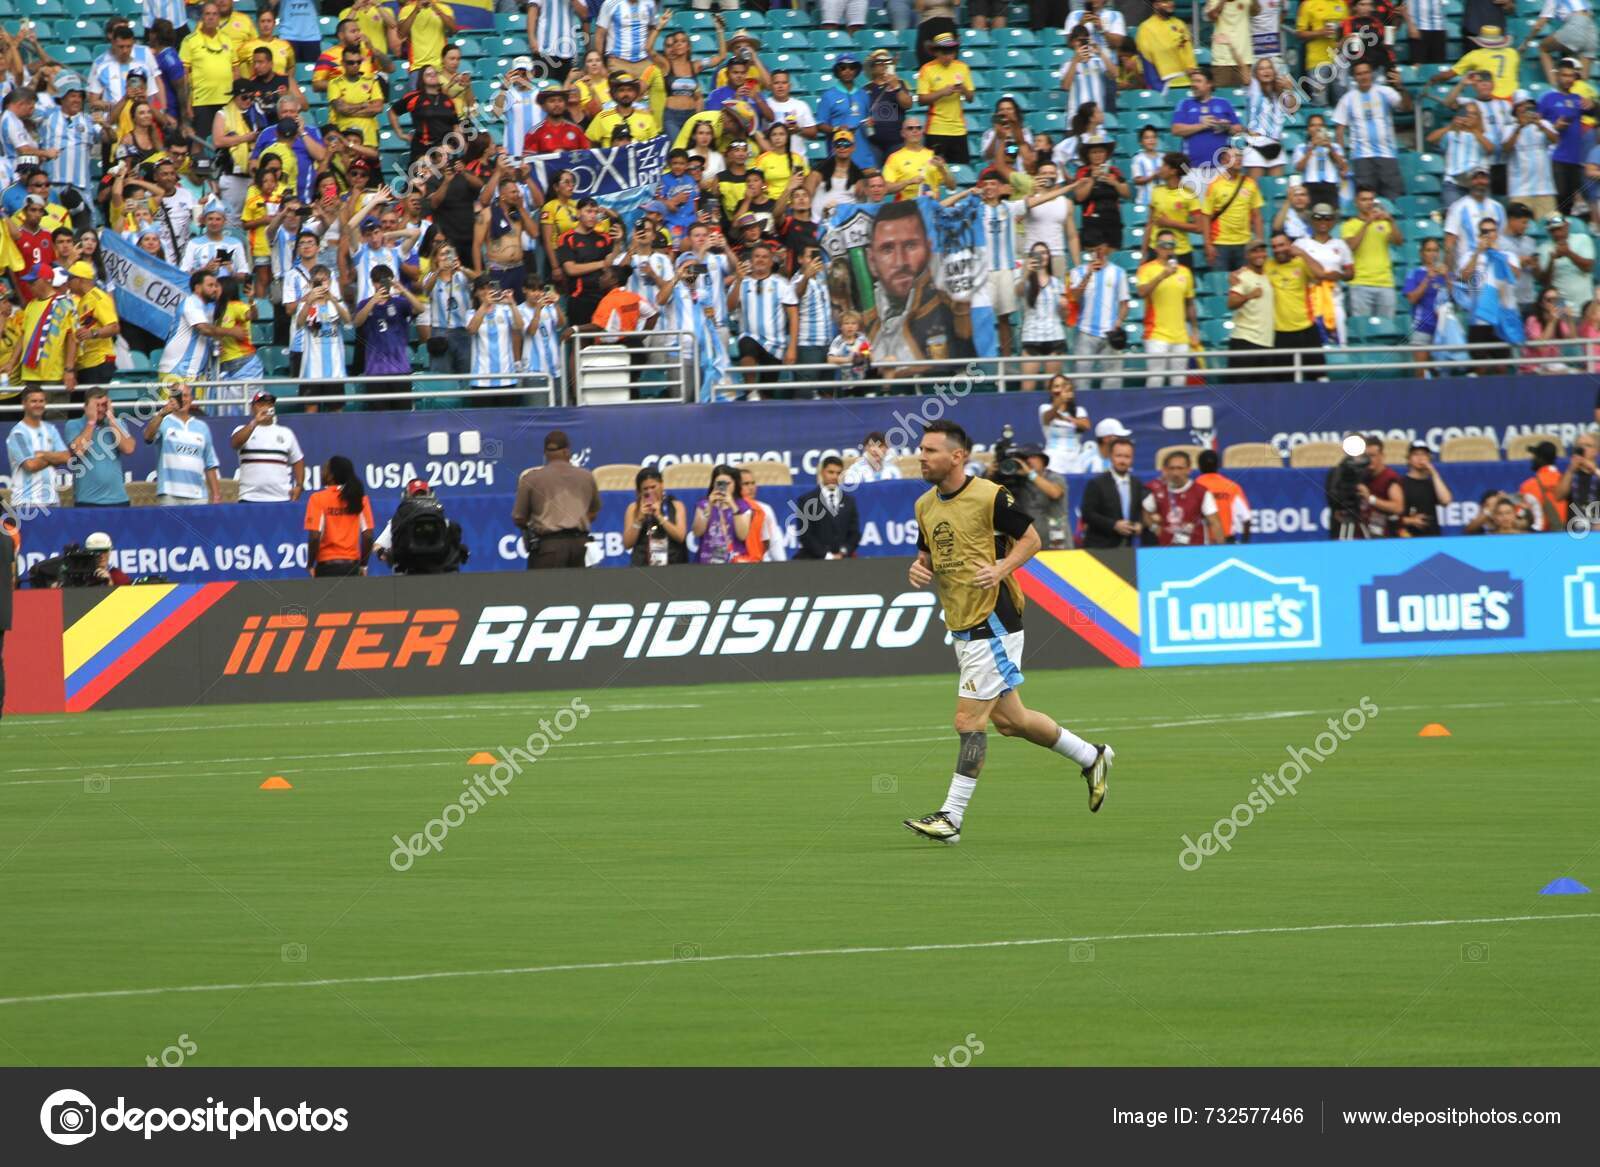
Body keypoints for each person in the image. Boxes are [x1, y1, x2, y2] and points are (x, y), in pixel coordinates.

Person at [902, 419, 1113, 846]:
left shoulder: (990, 495)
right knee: (1011, 721)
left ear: (957, 456)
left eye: (930, 450)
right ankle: (1092, 756)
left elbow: (1031, 539)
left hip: (993, 620)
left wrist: (1001, 568)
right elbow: (929, 554)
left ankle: (951, 817)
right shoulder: (924, 504)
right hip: (961, 621)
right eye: (921, 450)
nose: (921, 457)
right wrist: (919, 568)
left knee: (967, 720)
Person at [861, 199, 977, 373]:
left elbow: (962, 367)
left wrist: (897, 375)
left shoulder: (949, 309)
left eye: (910, 246)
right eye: (887, 249)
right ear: (871, 260)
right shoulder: (864, 322)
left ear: (929, 249)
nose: (900, 262)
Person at [512, 429, 601, 569]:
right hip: (580, 547)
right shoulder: (586, 476)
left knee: (546, 584)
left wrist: (533, 525)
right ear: (567, 452)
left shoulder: (531, 479)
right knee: (581, 584)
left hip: (547, 548)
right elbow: (593, 512)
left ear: (545, 453)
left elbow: (519, 517)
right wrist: (575, 519)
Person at [1332, 62, 1410, 200]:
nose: (1363, 77)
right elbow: (1339, 131)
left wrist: (1401, 88)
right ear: (1354, 77)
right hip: (1361, 157)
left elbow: (1406, 107)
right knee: (1365, 199)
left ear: (1372, 74)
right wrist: (1342, 158)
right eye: (1359, 74)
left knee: (1394, 198)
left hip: (1387, 155)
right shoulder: (1347, 99)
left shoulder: (1385, 92)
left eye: (1366, 72)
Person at [141, 382, 223, 505]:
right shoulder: (162, 421)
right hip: (169, 495)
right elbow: (147, 437)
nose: (183, 399)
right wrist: (161, 414)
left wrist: (216, 495)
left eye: (186, 396)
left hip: (198, 496)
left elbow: (210, 464)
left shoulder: (202, 427)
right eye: (179, 396)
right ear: (171, 399)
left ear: (191, 399)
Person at [1135, 231, 1198, 386]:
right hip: (1156, 333)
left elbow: (1190, 303)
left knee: (1179, 380)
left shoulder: (1185, 271)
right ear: (1156, 247)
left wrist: (1195, 331)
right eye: (1163, 245)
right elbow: (1141, 292)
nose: (1167, 248)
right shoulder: (1146, 269)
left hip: (1181, 335)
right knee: (1156, 379)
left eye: (1171, 245)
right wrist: (1162, 276)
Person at [1067, 240, 1130, 390]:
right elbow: (1074, 297)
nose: (1098, 252)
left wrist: (1118, 322)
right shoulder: (1077, 272)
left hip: (1110, 333)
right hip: (1085, 333)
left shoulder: (1119, 272)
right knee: (1081, 383)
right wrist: (1088, 274)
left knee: (1113, 382)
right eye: (1094, 249)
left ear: (1107, 248)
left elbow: (1124, 303)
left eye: (1100, 248)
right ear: (1089, 251)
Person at [62, 389, 135, 508]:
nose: (100, 409)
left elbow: (129, 449)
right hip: (87, 500)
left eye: (104, 405)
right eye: (96, 405)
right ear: (86, 407)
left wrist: (112, 420)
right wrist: (91, 421)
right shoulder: (73, 424)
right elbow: (79, 451)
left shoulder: (117, 423)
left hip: (119, 499)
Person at [1265, 231, 1324, 378]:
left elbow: (1321, 275)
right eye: (1274, 247)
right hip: (1279, 332)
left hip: (1306, 329)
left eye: (1281, 245)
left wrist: (1303, 254)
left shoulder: (1301, 262)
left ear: (1290, 245)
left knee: (1318, 377)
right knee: (1284, 380)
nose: (1278, 249)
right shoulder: (1267, 265)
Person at [303, 454, 373, 577]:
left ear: (331, 475)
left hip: (327, 568)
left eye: (324, 469)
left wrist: (310, 564)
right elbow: (368, 536)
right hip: (352, 567)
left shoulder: (317, 499)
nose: (321, 472)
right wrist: (363, 565)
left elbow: (314, 537)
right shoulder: (360, 499)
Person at [1340, 186, 1403, 318]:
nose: (1368, 203)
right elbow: (1351, 246)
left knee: (1386, 326)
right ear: (1356, 203)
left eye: (1370, 200)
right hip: (1360, 282)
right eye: (1364, 200)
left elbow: (1398, 241)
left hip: (1385, 282)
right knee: (1362, 326)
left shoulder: (1384, 224)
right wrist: (1366, 224)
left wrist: (1391, 221)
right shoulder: (1349, 225)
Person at [231, 390, 304, 502]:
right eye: (261, 404)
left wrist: (299, 485)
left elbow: (298, 460)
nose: (266, 407)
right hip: (249, 497)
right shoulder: (242, 429)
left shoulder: (286, 433)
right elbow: (235, 443)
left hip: (281, 498)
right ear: (252, 408)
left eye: (269, 404)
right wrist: (255, 422)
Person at [1202, 146, 1264, 273]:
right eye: (1234, 156)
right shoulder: (1214, 185)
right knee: (1221, 282)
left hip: (1245, 243)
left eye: (1240, 156)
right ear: (1224, 161)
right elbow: (1206, 217)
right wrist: (1207, 244)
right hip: (1220, 244)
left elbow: (1257, 216)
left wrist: (1259, 242)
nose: (1238, 159)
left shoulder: (1250, 184)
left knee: (1245, 282)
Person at [5, 386, 69, 508]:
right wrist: (54, 459)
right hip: (26, 503)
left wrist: (43, 454)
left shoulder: (50, 429)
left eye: (41, 401)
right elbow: (31, 465)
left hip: (52, 501)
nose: (38, 405)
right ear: (24, 403)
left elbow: (66, 457)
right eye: (34, 401)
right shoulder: (18, 433)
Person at [1143, 449, 1223, 545]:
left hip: (1196, 549)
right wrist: (1155, 528)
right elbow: (1145, 511)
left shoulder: (1201, 492)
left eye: (1180, 468)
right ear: (1166, 470)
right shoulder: (1158, 492)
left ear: (1189, 470)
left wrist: (1222, 549)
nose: (1175, 473)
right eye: (1172, 468)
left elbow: (1215, 523)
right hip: (1167, 549)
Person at [1016, 242, 1068, 390]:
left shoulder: (1057, 283)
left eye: (1045, 253)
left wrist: (1064, 308)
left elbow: (1064, 317)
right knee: (1027, 388)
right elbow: (1018, 292)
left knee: (1053, 389)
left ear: (1049, 256)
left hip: (1055, 337)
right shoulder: (1025, 282)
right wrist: (1026, 272)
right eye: (1037, 254)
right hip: (1031, 337)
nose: (1042, 256)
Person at [1079, 434, 1144, 547]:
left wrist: (1139, 524)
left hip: (1127, 547)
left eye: (1127, 456)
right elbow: (1087, 514)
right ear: (1110, 456)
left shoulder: (1136, 484)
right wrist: (1114, 525)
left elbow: (1139, 511)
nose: (1122, 460)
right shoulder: (1097, 483)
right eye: (1119, 456)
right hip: (1100, 547)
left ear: (1132, 459)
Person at [793, 456, 861, 560]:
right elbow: (805, 535)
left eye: (838, 473)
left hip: (843, 559)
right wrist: (827, 556)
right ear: (822, 472)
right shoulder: (806, 500)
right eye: (831, 472)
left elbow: (854, 533)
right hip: (813, 560)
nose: (835, 477)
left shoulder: (849, 502)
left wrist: (843, 552)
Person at [1226, 240, 1276, 382]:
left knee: (1264, 391)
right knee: (1239, 389)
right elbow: (1231, 303)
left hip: (1266, 341)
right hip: (1245, 340)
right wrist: (1249, 296)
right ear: (1247, 255)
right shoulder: (1243, 277)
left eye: (1262, 250)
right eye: (1254, 251)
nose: (1259, 254)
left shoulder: (1267, 275)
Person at [1008, 444, 1072, 549]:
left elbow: (1055, 493)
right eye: (1025, 458)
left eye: (1032, 457)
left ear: (1043, 460)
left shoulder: (1055, 477)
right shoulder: (1018, 481)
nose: (1028, 461)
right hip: (1031, 541)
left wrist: (1030, 474)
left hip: (1055, 539)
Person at [623, 466, 689, 566]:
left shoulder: (676, 505)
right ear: (639, 491)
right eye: (645, 489)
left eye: (653, 487)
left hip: (673, 564)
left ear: (662, 485)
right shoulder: (633, 508)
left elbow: (680, 537)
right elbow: (627, 544)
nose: (650, 492)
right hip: (643, 565)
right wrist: (639, 520)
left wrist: (659, 516)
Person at [692, 461, 756, 564]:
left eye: (728, 484)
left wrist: (733, 505)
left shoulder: (743, 506)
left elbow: (742, 535)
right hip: (707, 560)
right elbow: (697, 532)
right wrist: (709, 506)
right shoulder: (703, 504)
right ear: (713, 484)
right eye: (719, 483)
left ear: (735, 484)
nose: (723, 487)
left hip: (734, 561)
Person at [1536, 213, 1596, 312]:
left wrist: (1569, 253)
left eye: (1559, 228)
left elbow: (1588, 268)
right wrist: (1552, 261)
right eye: (1553, 230)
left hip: (1585, 304)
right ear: (1548, 231)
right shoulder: (1544, 248)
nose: (1557, 233)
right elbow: (1545, 283)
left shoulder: (1582, 239)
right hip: (1560, 307)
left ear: (1567, 226)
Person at [1136, 0, 1198, 91]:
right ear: (1156, 5)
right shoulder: (1145, 28)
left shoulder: (1179, 24)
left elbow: (1188, 50)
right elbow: (1146, 61)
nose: (1170, 4)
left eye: (1171, 1)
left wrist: (1192, 69)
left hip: (1185, 79)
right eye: (1166, 1)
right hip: (1163, 81)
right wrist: (1158, 86)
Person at [1396, 441, 1452, 536]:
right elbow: (1392, 517)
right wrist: (1410, 520)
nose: (1420, 458)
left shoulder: (1433, 483)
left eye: (1424, 454)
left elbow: (1446, 501)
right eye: (1416, 454)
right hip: (1407, 537)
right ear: (1408, 459)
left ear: (1429, 458)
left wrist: (1433, 473)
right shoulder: (1400, 483)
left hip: (1431, 536)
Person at [1520, 439, 1568, 531]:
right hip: (1568, 534)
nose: (1532, 459)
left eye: (1534, 456)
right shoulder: (1566, 482)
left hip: (1540, 536)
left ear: (1540, 458)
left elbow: (1520, 517)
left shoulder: (1528, 486)